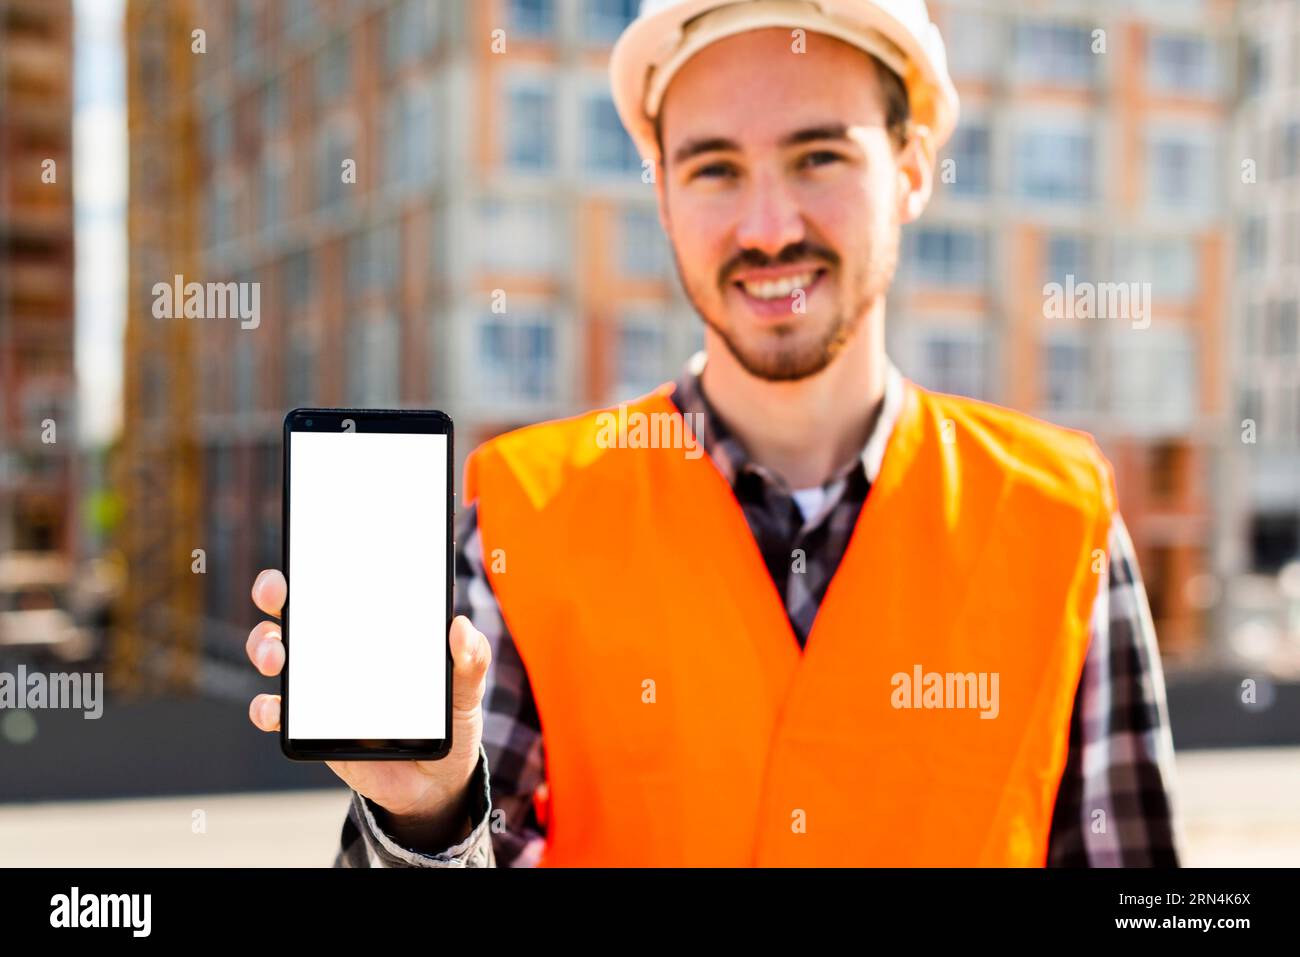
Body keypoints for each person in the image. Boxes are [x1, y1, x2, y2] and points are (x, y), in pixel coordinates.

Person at [245, 0, 1182, 866]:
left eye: (819, 156)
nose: (769, 228)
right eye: (716, 168)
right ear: (661, 194)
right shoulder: (522, 520)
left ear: (909, 170)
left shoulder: (1061, 518)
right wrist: (429, 820)